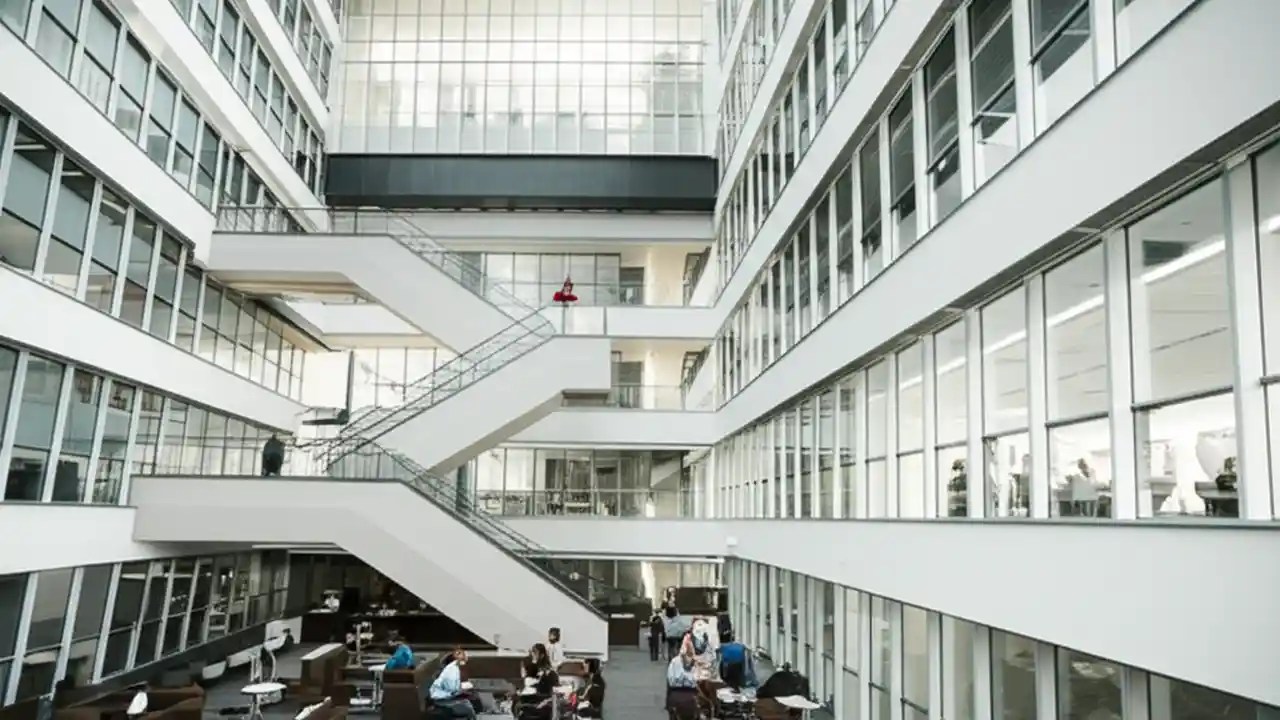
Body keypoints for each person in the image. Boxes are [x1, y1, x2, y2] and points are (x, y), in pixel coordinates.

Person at [429, 648, 475, 719]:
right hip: (444, 703)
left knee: (468, 702)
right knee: (469, 707)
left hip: (442, 701)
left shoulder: (444, 672)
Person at [665, 651, 699, 720]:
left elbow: (669, 682)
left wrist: (667, 703)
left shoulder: (674, 661)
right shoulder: (696, 661)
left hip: (675, 694)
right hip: (692, 695)